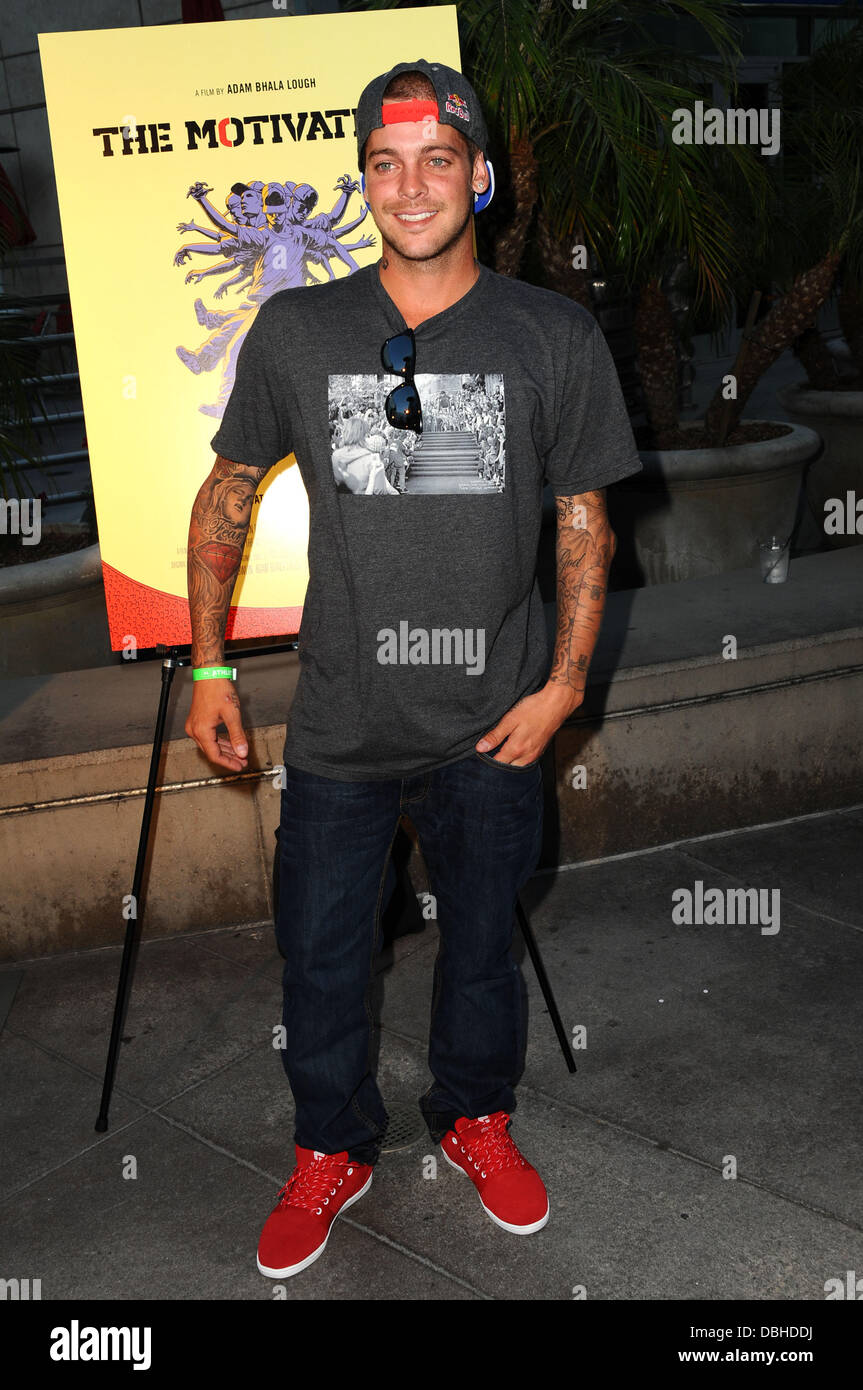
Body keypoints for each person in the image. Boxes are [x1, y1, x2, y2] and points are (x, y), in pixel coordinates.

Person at [184, 57, 642, 1281]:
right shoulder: (299, 328)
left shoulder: (550, 334)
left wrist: (562, 688)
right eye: (384, 163)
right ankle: (332, 1145)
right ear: (364, 183)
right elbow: (227, 490)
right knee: (323, 954)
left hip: (493, 716)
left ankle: (474, 1118)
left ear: (479, 176)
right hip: (340, 721)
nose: (411, 184)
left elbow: (583, 518)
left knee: (481, 939)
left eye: (437, 158)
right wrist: (212, 666)